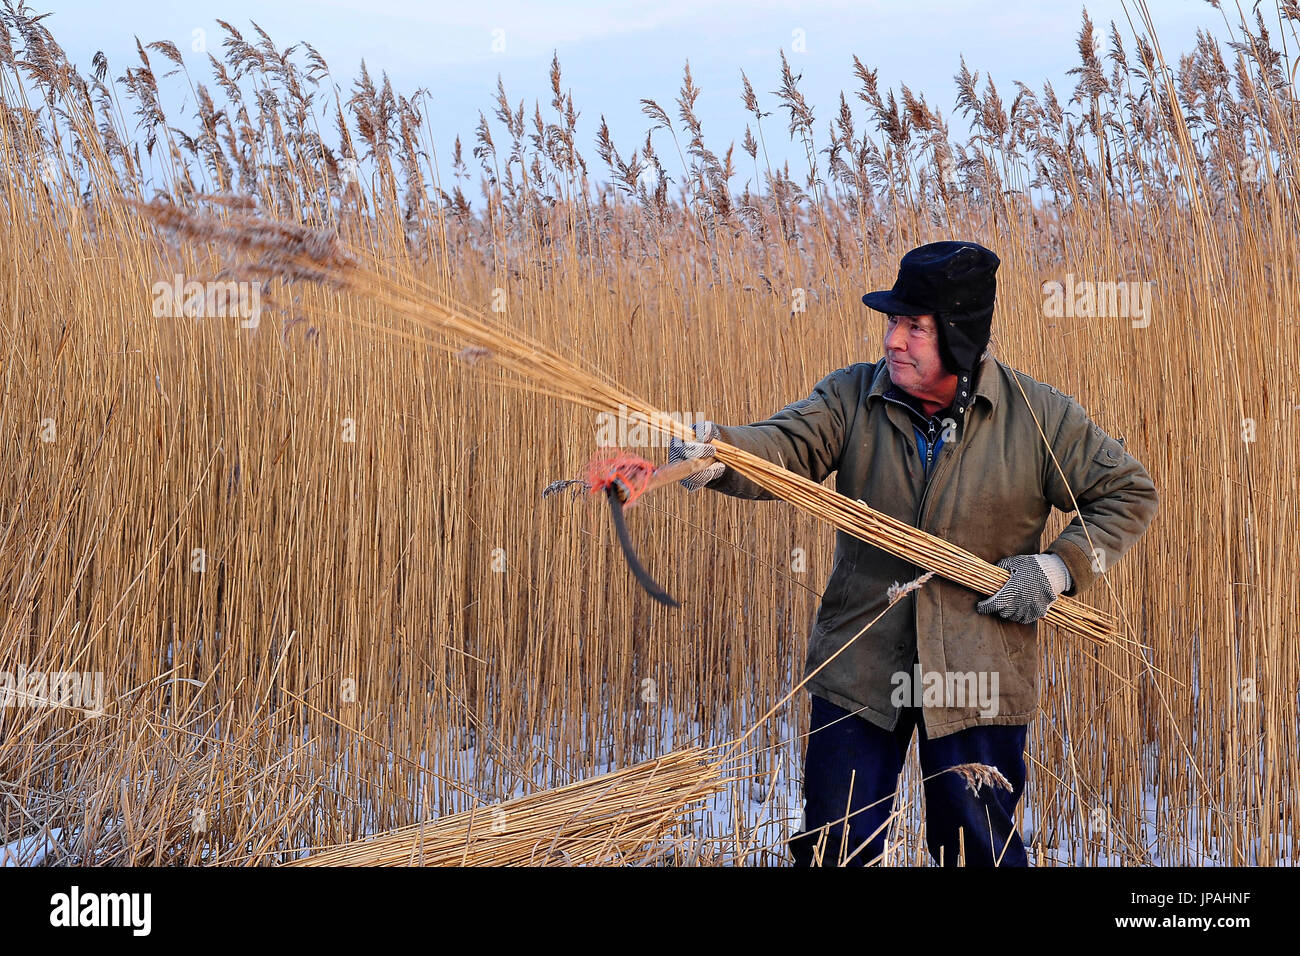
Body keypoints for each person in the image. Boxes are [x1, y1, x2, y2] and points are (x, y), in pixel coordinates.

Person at [668, 241, 1158, 867]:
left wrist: (1059, 569)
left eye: (914, 327)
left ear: (958, 338)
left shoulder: (1036, 417)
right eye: (893, 322)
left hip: (978, 669)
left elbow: (1128, 492)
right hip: (862, 665)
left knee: (977, 850)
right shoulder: (853, 397)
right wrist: (720, 450)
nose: (894, 341)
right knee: (836, 847)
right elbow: (785, 447)